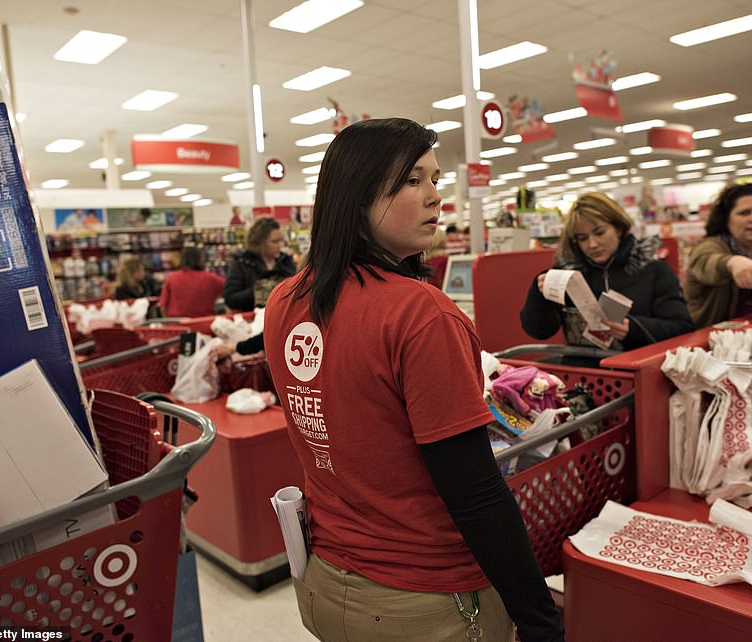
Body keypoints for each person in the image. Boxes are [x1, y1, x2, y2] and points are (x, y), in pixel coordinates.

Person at [264, 117, 563, 641]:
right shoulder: (422, 315)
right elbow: (475, 494)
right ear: (357, 196)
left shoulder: (285, 301)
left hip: (325, 583)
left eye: (435, 179)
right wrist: (540, 619)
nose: (436, 198)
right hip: (427, 599)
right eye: (412, 181)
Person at [520, 191, 694, 350]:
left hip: (638, 371)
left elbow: (682, 327)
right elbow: (540, 331)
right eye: (583, 238)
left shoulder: (654, 270)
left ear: (618, 228)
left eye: (600, 233)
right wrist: (539, 294)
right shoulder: (568, 275)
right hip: (583, 373)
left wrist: (633, 330)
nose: (592, 244)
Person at [684, 182, 752, 327]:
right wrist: (732, 263)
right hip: (714, 341)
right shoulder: (709, 246)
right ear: (726, 219)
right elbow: (706, 262)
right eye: (744, 213)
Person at [223, 218, 296, 311]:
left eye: (281, 241)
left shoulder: (286, 261)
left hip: (283, 316)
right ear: (260, 242)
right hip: (252, 320)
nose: (280, 245)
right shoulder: (242, 263)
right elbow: (230, 299)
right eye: (274, 241)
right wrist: (256, 292)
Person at [157, 246, 224, 317]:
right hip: (203, 323)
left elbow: (162, 306)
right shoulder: (210, 278)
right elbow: (230, 290)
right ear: (200, 259)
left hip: (177, 324)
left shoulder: (171, 278)